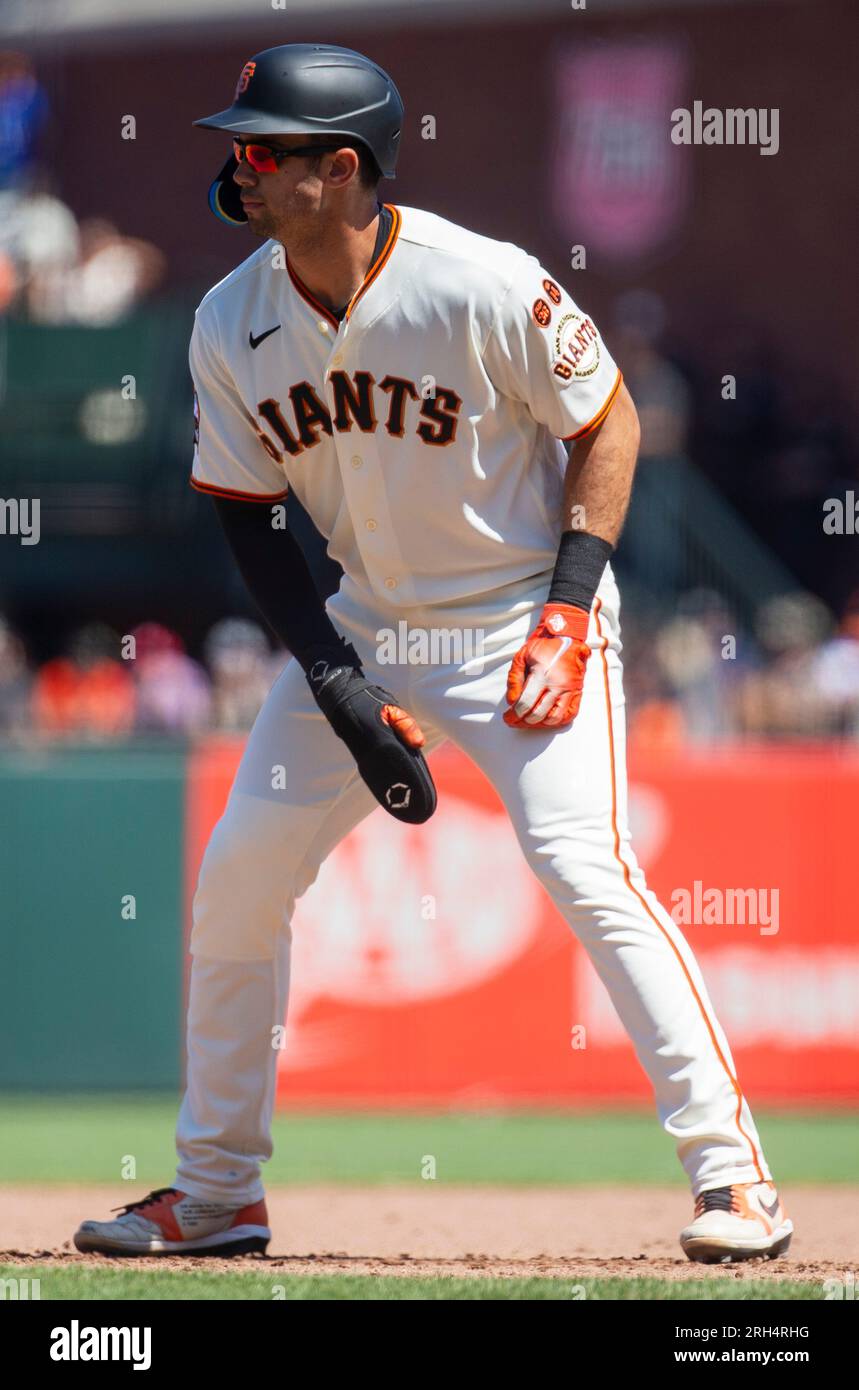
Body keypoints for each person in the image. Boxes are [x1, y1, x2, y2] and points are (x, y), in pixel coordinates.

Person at [74, 44, 791, 1264]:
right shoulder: (228, 318)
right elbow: (244, 514)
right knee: (242, 875)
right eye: (238, 144)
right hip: (362, 622)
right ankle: (214, 1194)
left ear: (337, 169)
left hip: (520, 613)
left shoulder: (480, 281)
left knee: (585, 865)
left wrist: (571, 607)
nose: (236, 165)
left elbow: (606, 419)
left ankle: (735, 1182)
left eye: (262, 148)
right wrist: (336, 680)